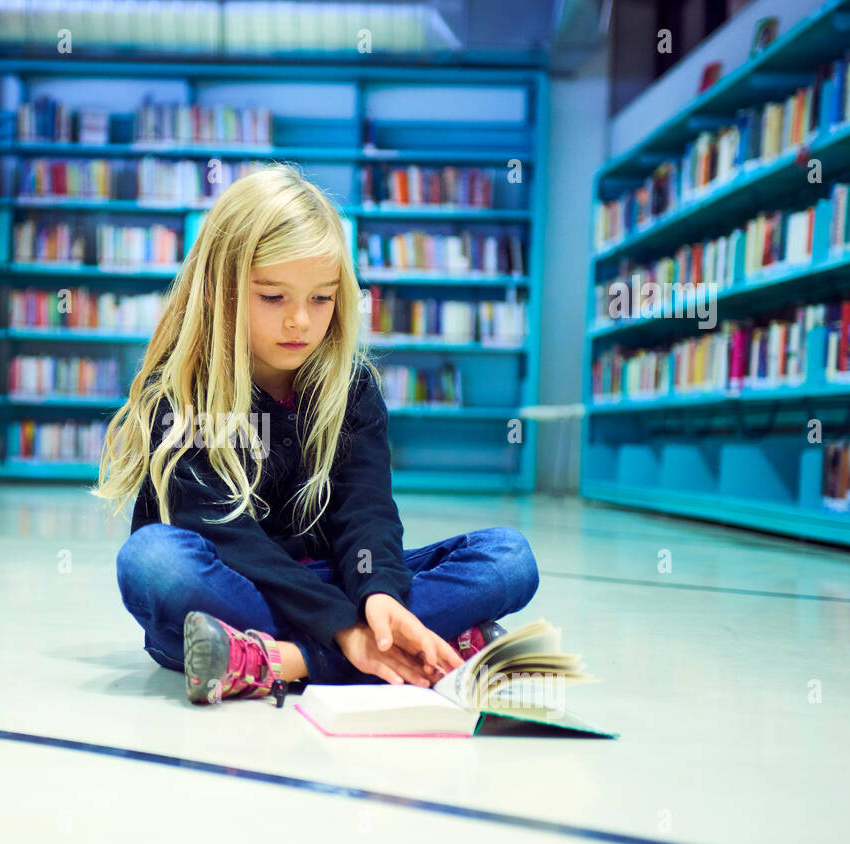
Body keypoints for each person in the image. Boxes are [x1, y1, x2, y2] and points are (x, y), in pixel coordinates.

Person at [93, 164, 538, 707]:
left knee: (509, 558)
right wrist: (345, 629)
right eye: (273, 298)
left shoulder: (351, 389)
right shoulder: (183, 394)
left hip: (332, 584)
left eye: (322, 299)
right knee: (153, 562)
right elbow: (234, 542)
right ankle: (400, 648)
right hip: (233, 589)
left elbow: (367, 513)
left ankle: (280, 663)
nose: (300, 321)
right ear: (221, 291)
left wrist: (376, 596)